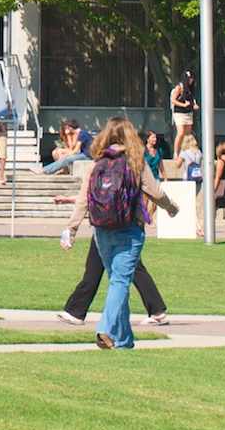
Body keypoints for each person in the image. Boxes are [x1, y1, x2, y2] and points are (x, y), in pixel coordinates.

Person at [59, 118, 179, 342]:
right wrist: (172, 208)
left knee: (117, 280)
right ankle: (106, 329)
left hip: (102, 230)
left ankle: (123, 341)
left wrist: (71, 229)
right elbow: (155, 192)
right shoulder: (135, 162)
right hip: (129, 229)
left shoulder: (97, 163)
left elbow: (84, 200)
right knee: (120, 282)